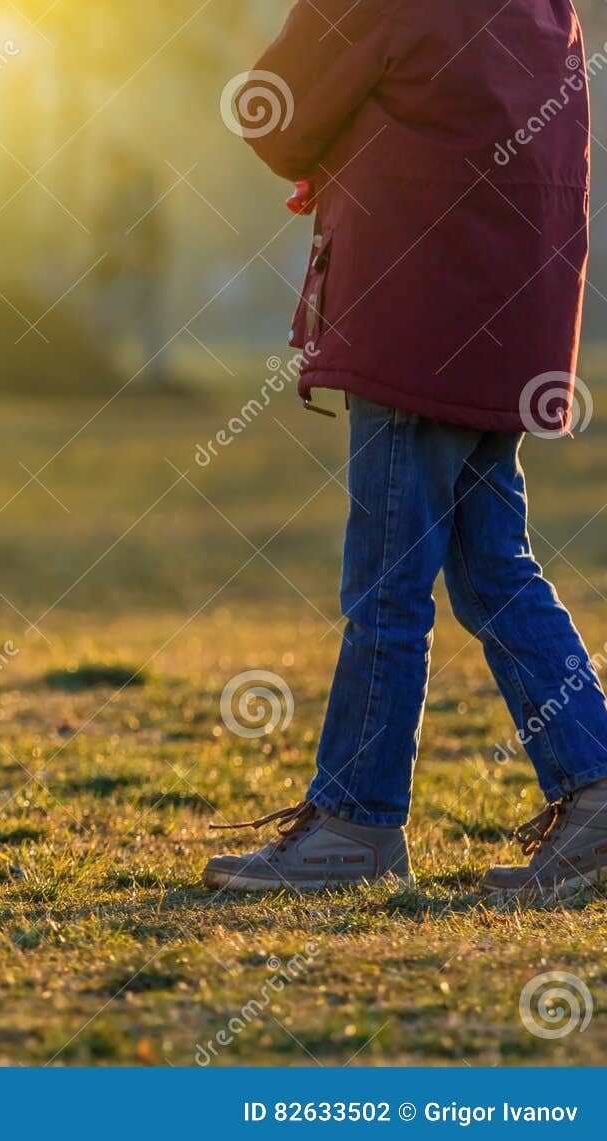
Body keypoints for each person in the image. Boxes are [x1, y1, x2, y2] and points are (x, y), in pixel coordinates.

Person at [205, 0, 607, 895]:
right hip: (509, 316)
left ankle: (355, 819)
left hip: (414, 307)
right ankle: (596, 785)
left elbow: (274, 110)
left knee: (387, 580)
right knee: (491, 565)